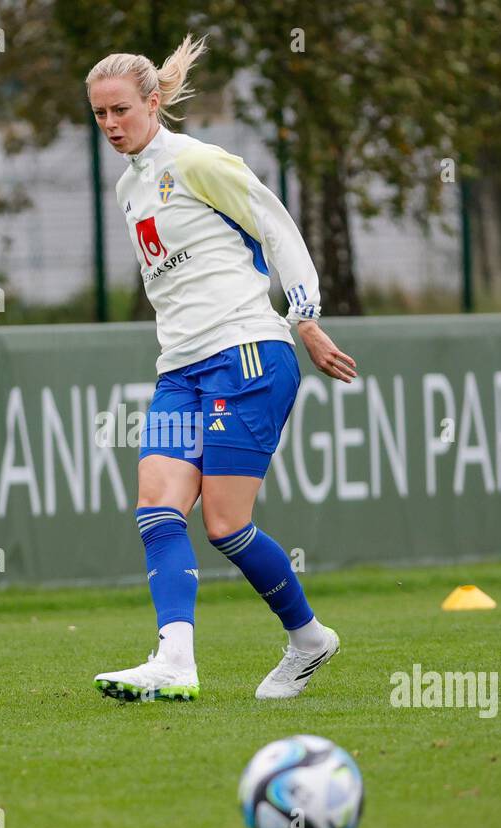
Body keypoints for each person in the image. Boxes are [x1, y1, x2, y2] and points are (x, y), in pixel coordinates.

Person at [86, 35, 358, 702]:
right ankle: (175, 660)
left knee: (225, 525)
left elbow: (273, 225)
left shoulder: (198, 162)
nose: (111, 125)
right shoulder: (129, 187)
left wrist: (306, 317)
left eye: (121, 110)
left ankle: (309, 639)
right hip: (180, 370)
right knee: (157, 505)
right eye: (99, 115)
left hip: (247, 355)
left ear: (153, 103)